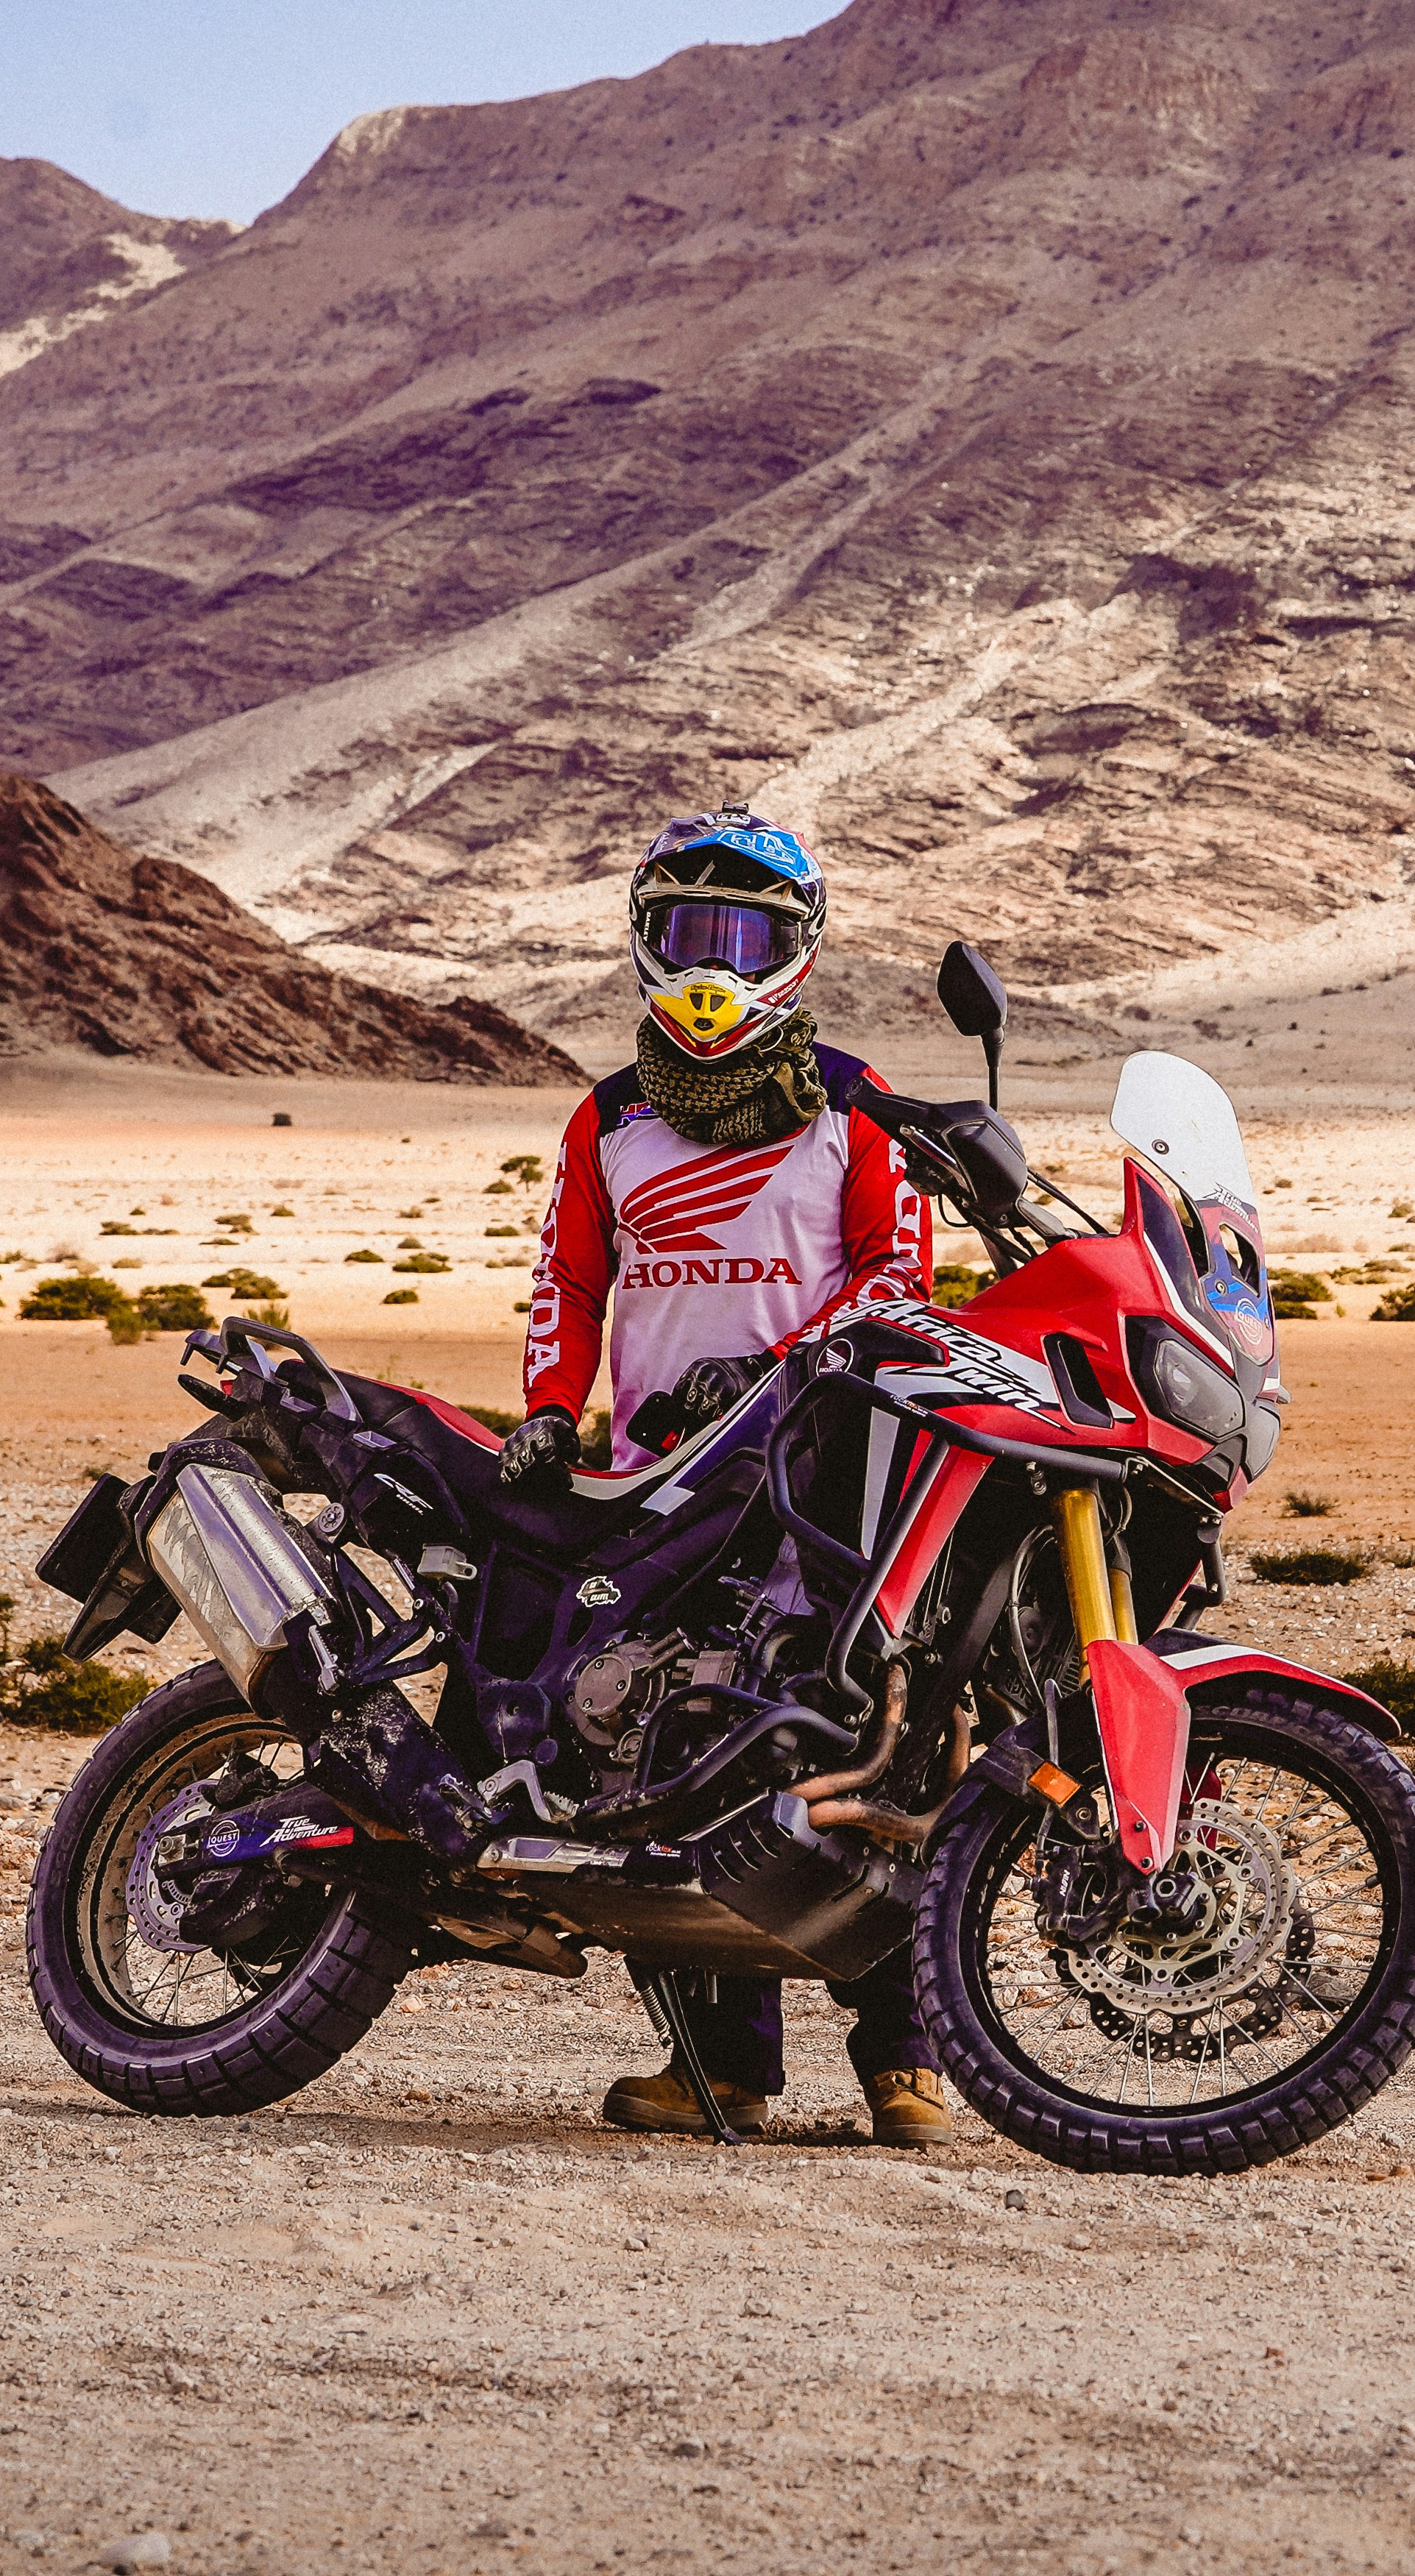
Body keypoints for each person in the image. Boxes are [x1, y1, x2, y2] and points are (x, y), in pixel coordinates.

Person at [504, 807, 951, 2148]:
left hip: (821, 1486)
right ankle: (727, 2070)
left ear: (795, 953)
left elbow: (896, 1283)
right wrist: (547, 1411)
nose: (712, 967)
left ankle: (907, 2060)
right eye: (688, 934)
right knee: (670, 1753)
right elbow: (570, 1279)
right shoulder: (612, 1118)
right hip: (654, 1488)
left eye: (741, 938)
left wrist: (780, 1373)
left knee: (874, 1747)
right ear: (645, 943)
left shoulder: (856, 1108)